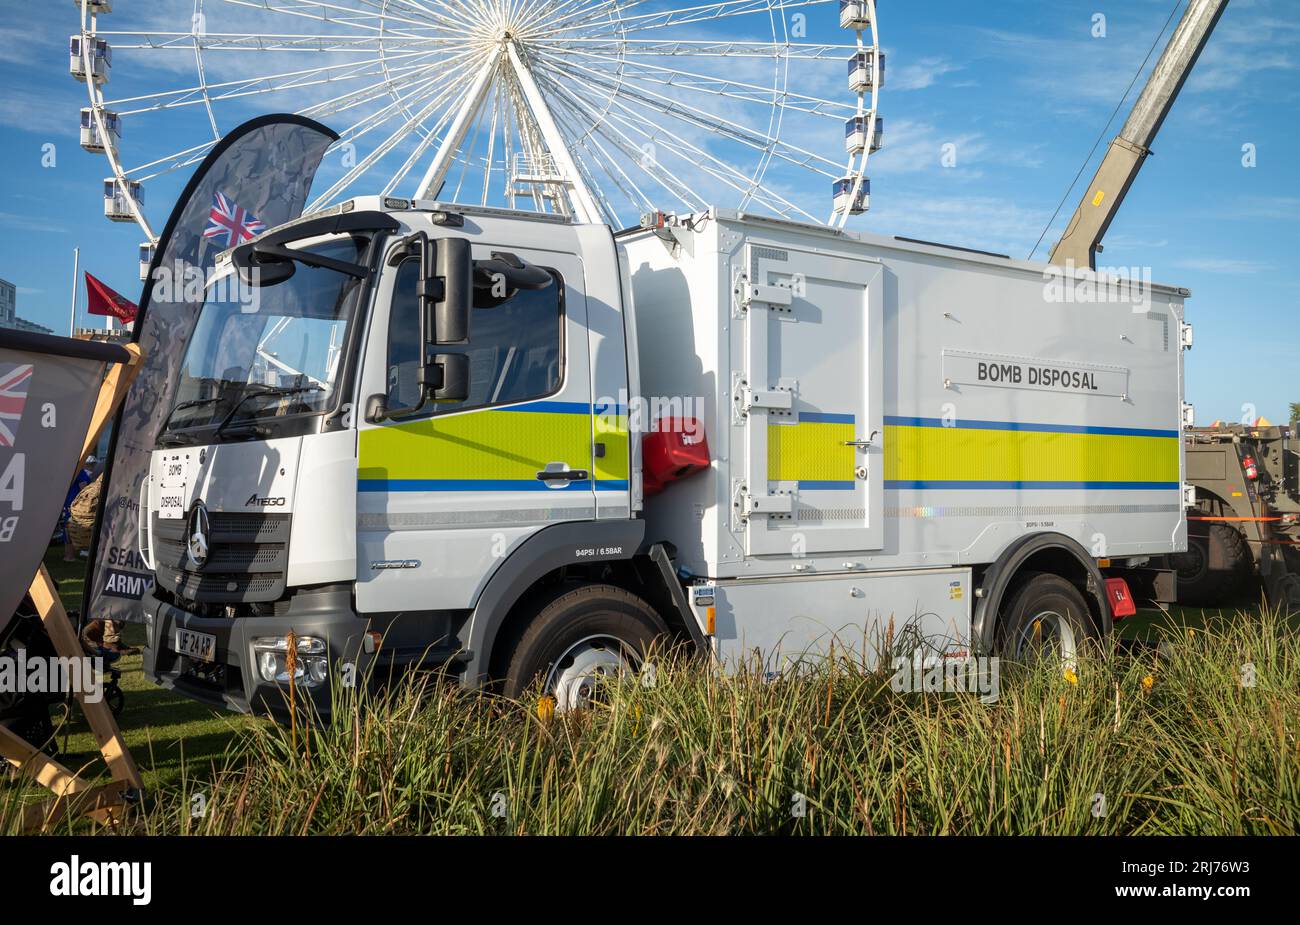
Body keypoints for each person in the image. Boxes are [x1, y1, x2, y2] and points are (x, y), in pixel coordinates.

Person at [61, 456, 97, 562]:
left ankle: (68, 556)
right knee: (72, 529)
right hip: (76, 504)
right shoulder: (79, 471)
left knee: (67, 529)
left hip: (69, 503)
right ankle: (70, 556)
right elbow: (84, 487)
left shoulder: (69, 469)